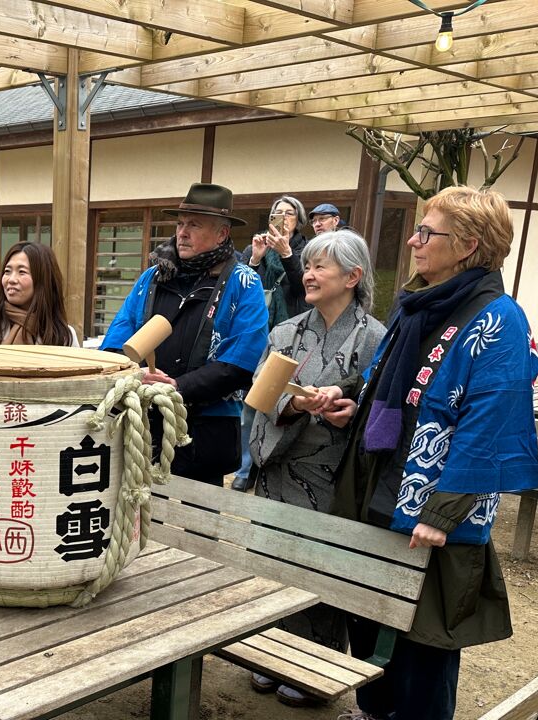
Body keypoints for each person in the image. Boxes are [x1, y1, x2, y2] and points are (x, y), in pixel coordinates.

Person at [317, 186, 538, 720]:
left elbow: (491, 425)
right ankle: (373, 711)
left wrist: (441, 513)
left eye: (427, 232)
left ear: (466, 245)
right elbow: (392, 387)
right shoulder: (416, 305)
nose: (414, 241)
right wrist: (350, 399)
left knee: (424, 638)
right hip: (377, 486)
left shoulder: (498, 319)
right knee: (370, 614)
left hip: (432, 510)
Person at [245, 230, 386, 707]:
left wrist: (348, 409)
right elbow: (260, 401)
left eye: (321, 266)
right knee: (273, 563)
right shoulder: (285, 333)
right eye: (307, 265)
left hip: (333, 474)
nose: (308, 273)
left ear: (353, 276)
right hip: (281, 469)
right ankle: (269, 654)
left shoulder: (376, 339)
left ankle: (315, 666)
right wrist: (292, 406)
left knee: (319, 567)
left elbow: (377, 406)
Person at [100, 183, 268, 486]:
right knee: (136, 515)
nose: (182, 232)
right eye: (180, 223)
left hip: (205, 431)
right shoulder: (153, 276)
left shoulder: (244, 281)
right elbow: (116, 340)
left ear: (222, 234)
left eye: (194, 224)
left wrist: (177, 385)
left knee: (198, 528)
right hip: (143, 419)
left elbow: (241, 363)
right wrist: (134, 374)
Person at [234, 194, 310, 492]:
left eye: (289, 213)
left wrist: (288, 254)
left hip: (292, 335)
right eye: (277, 213)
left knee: (282, 401)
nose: (283, 218)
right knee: (251, 402)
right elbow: (241, 286)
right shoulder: (257, 248)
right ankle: (245, 467)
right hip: (257, 333)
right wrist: (254, 258)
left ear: (298, 220)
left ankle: (270, 461)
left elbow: (304, 289)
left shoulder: (305, 249)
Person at [0, 242, 78, 347]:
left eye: (22, 272)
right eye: (7, 271)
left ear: (43, 280)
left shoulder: (63, 335)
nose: (11, 279)